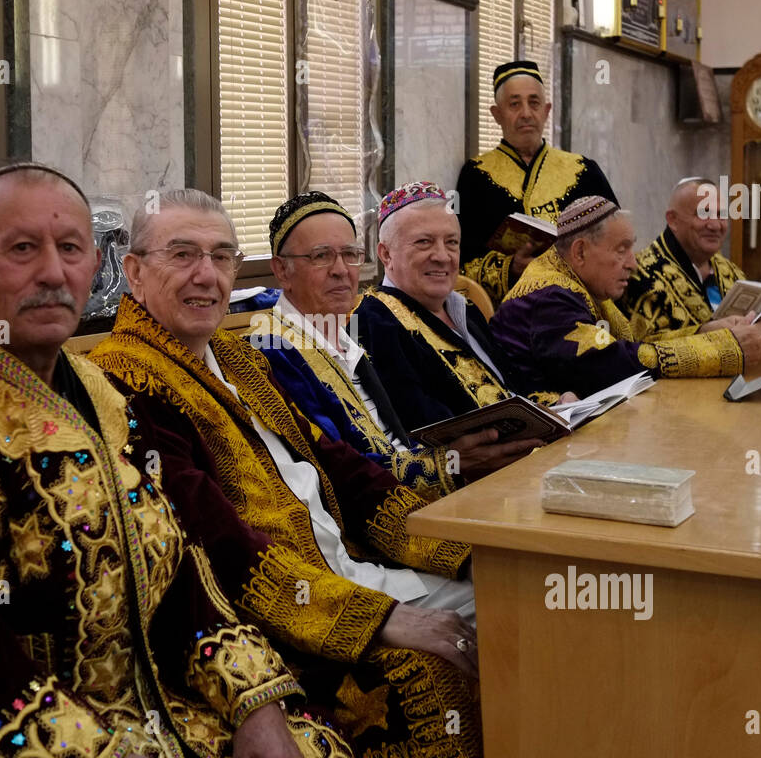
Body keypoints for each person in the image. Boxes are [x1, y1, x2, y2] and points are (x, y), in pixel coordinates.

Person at [0, 163, 352, 758]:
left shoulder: (107, 393)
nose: (53, 273)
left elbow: (183, 574)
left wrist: (254, 704)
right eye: (23, 249)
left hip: (173, 712)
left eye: (71, 249)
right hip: (21, 742)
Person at [89, 188, 484, 758]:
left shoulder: (236, 357)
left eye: (221, 257)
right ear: (134, 271)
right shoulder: (124, 383)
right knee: (454, 647)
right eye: (182, 255)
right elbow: (211, 542)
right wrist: (380, 620)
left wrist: (466, 552)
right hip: (282, 620)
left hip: (354, 569)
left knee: (521, 591)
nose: (206, 275)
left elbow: (344, 470)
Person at [250, 191, 535, 498]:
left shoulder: (344, 335)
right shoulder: (273, 352)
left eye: (350, 254)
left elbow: (397, 444)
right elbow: (338, 472)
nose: (341, 270)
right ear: (281, 270)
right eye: (321, 256)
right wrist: (451, 464)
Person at [491, 195, 761, 402]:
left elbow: (633, 346)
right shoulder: (550, 296)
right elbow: (610, 363)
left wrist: (707, 331)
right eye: (621, 250)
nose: (633, 263)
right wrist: (722, 350)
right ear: (580, 252)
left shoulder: (578, 281)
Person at [350, 182, 535, 436]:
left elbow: (511, 385)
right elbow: (424, 429)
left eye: (451, 243)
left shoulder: (465, 308)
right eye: (424, 242)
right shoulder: (375, 322)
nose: (442, 256)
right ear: (386, 254)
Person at [455, 60, 618, 305]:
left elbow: (616, 242)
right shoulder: (475, 176)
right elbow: (459, 260)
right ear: (496, 114)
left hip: (581, 308)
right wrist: (510, 269)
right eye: (514, 104)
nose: (526, 114)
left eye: (534, 103)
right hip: (507, 315)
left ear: (546, 110)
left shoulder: (584, 170)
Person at [620, 177, 749, 338]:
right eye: (704, 213)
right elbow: (636, 351)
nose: (715, 225)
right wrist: (706, 335)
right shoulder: (640, 275)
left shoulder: (731, 272)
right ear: (673, 220)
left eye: (721, 214)